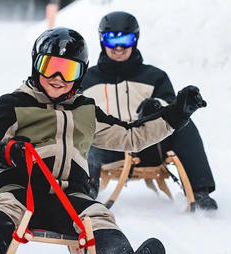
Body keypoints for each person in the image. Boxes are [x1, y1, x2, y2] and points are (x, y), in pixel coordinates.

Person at [0, 27, 206, 254]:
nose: (58, 77)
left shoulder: (85, 110)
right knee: (3, 210)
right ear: (36, 65)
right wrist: (7, 151)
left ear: (81, 74)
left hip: (72, 196)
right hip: (22, 190)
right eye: (50, 67)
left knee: (99, 217)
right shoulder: (13, 104)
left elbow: (131, 136)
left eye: (69, 70)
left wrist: (176, 114)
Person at [81, 11, 218, 210]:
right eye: (112, 40)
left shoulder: (154, 76)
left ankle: (200, 191)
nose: (119, 47)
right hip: (109, 147)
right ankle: (84, 192)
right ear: (102, 40)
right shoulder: (87, 79)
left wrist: (156, 107)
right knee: (84, 128)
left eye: (125, 39)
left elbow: (174, 109)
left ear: (135, 39)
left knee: (185, 125)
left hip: (150, 145)